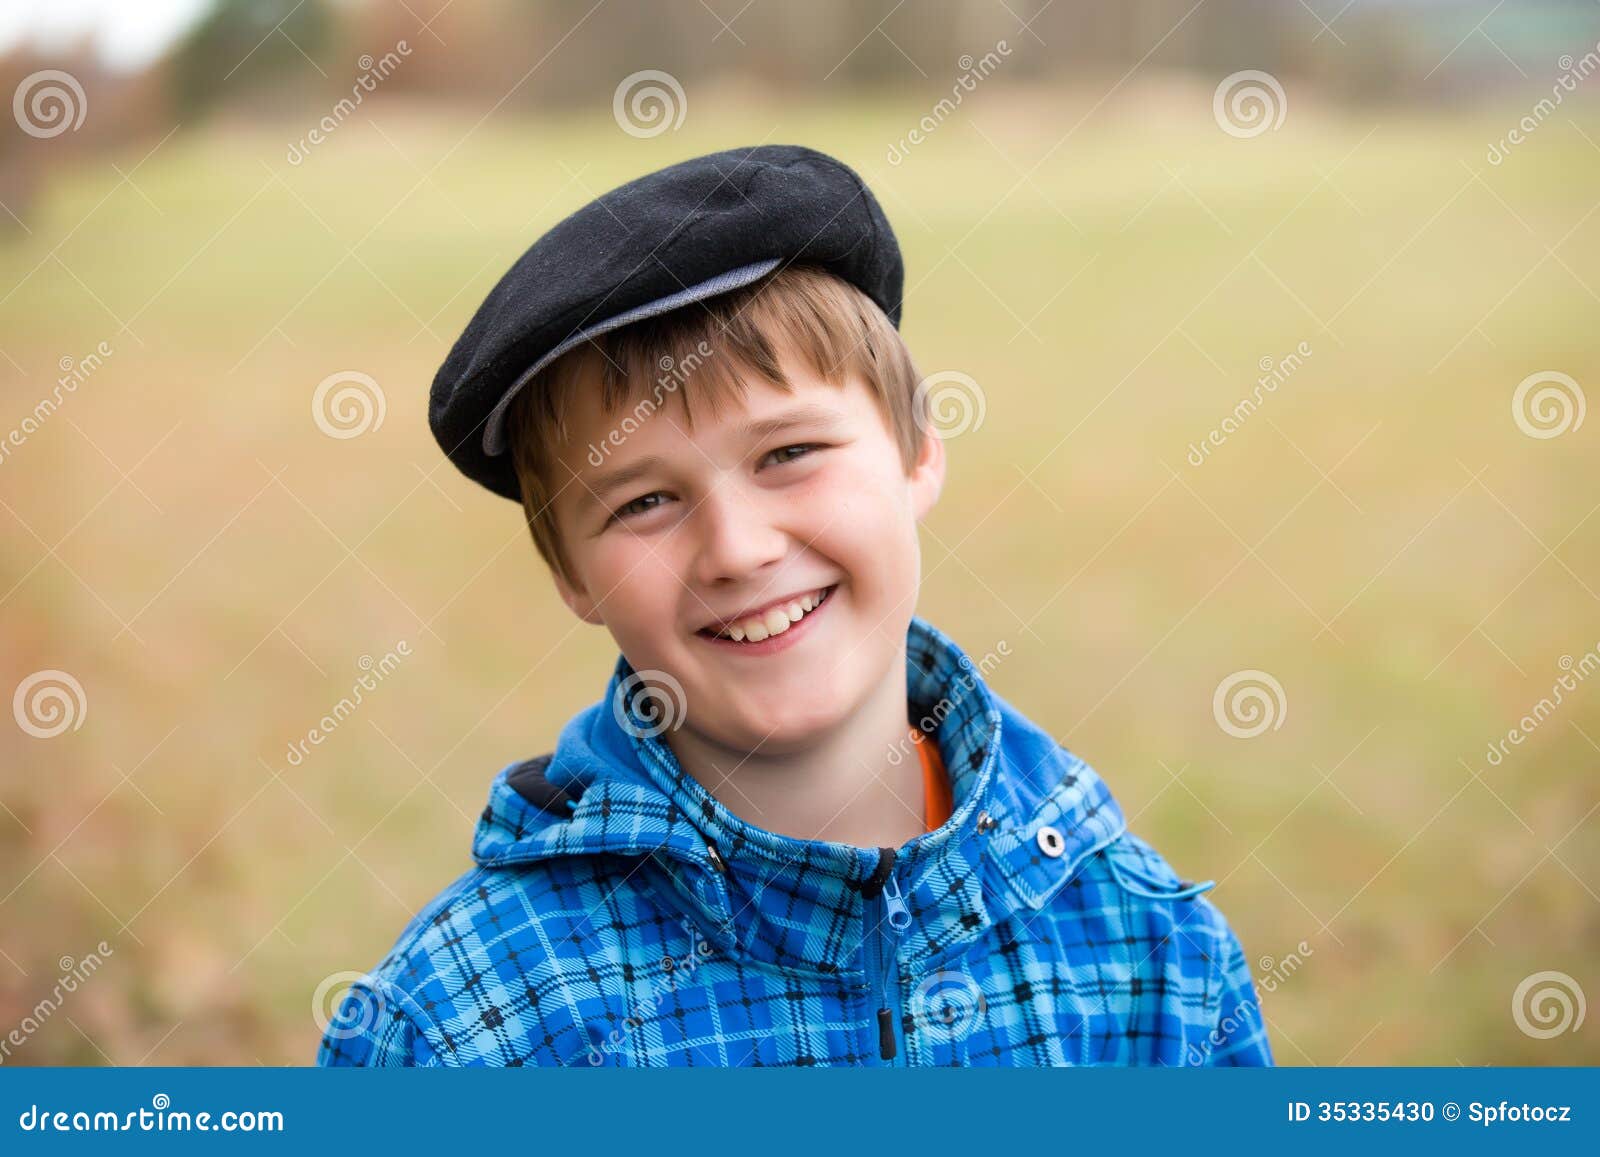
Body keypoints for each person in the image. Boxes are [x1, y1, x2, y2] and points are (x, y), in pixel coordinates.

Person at [316, 144, 1273, 1067]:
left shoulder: (1151, 957)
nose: (735, 550)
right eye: (643, 502)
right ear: (570, 572)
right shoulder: (461, 1035)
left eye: (789, 455)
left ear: (917, 454)